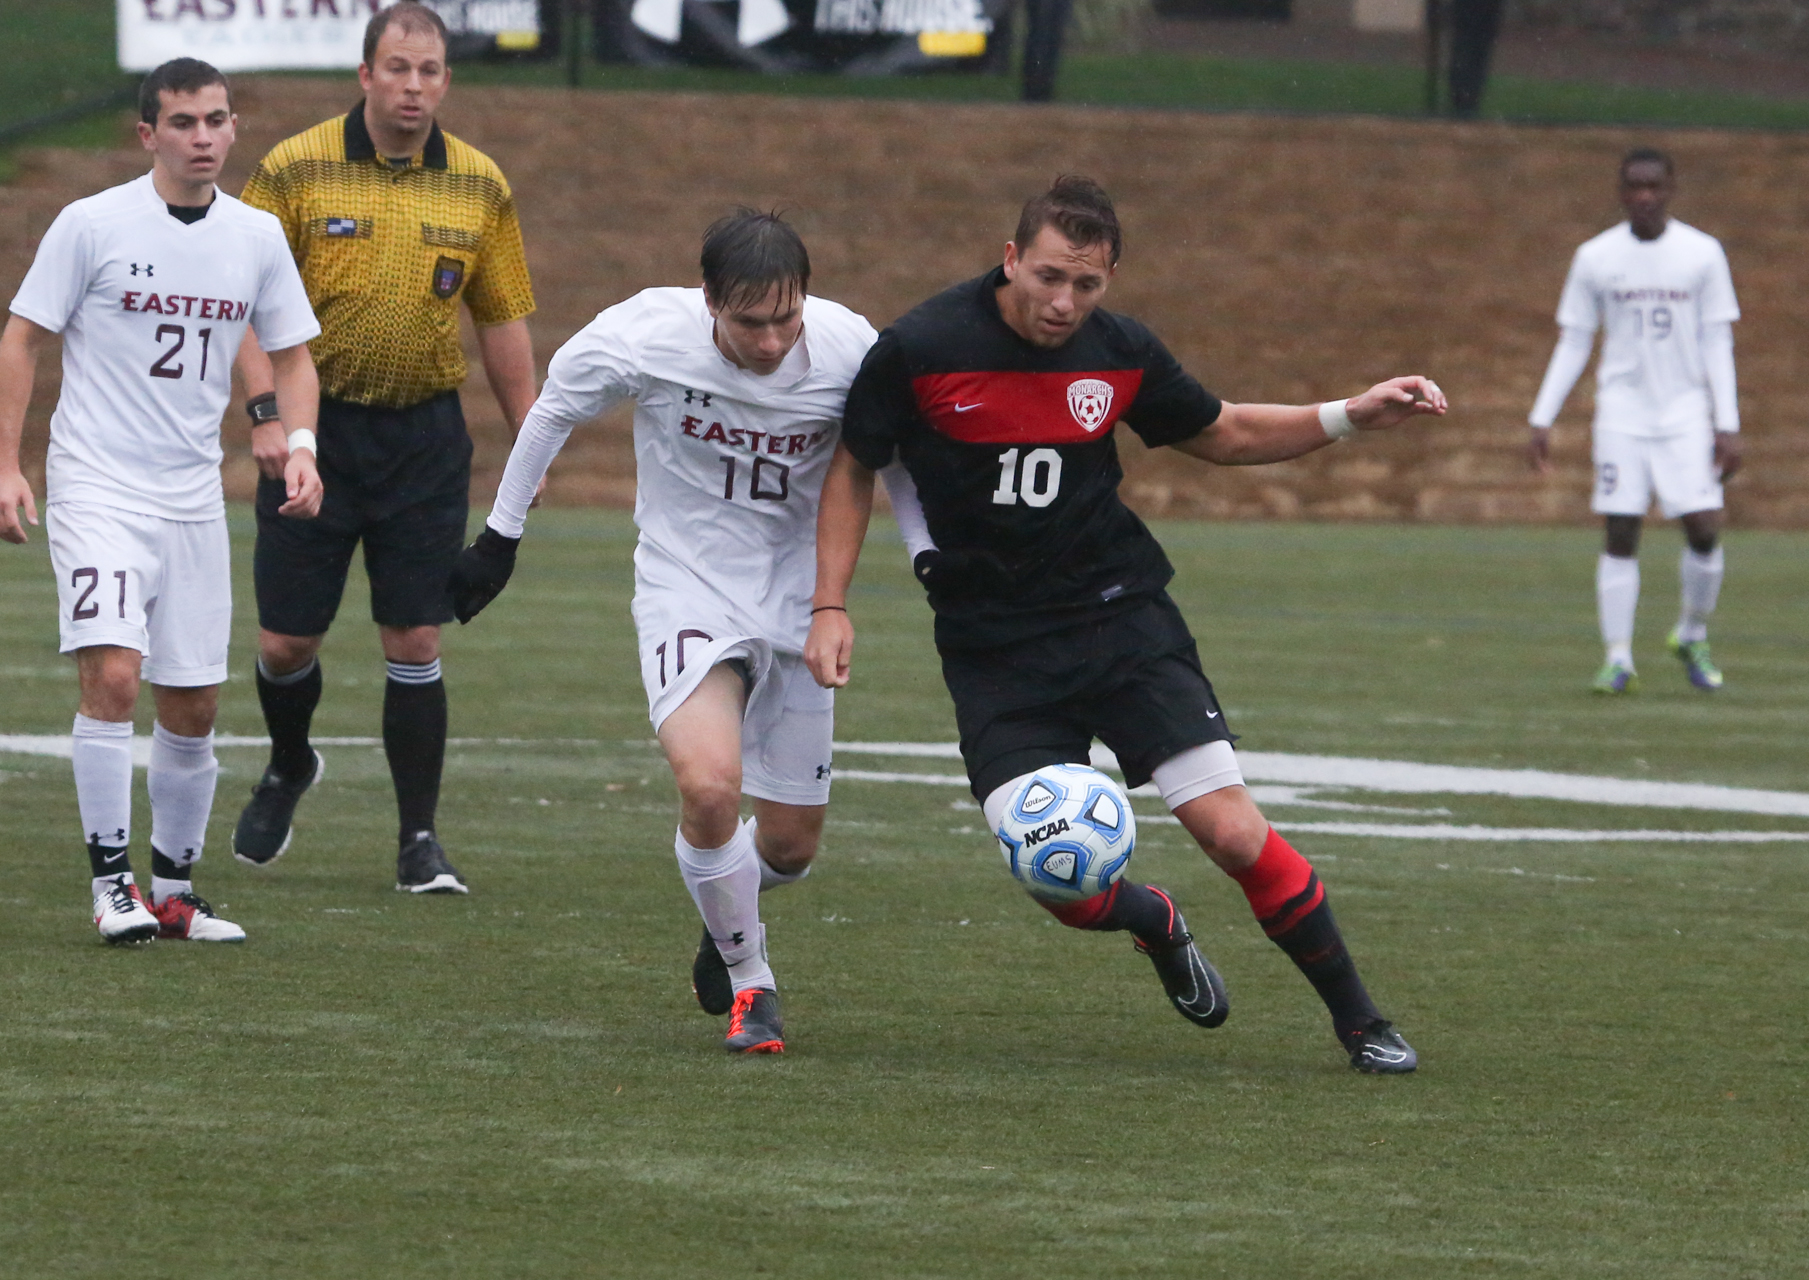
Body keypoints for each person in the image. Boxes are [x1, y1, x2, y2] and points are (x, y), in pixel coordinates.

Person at [805, 175, 1441, 1072]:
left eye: (1088, 284)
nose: (1065, 302)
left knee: (1232, 832)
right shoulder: (921, 347)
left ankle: (1360, 1020)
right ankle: (1156, 921)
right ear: (1012, 258)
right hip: (996, 649)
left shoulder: (1120, 353)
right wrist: (830, 604)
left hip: (1120, 618)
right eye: (1051, 277)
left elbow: (1221, 432)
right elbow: (853, 466)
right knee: (1055, 874)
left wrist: (1349, 415)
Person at [448, 210, 894, 1055]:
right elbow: (550, 413)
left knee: (792, 848)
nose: (771, 342)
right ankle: (749, 978)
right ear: (709, 302)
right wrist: (500, 538)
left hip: (800, 599)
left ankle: (727, 905)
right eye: (750, 322)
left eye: (786, 317)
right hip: (687, 586)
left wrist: (941, 559)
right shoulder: (643, 334)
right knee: (711, 788)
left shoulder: (850, 349)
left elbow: (891, 456)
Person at [0, 58, 323, 943]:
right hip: (99, 484)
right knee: (113, 674)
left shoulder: (254, 237)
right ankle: (112, 885)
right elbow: (23, 337)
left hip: (191, 498)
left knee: (195, 702)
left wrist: (300, 445)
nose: (204, 137)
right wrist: (7, 464)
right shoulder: (92, 223)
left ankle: (174, 891)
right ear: (149, 133)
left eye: (217, 120)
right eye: (183, 122)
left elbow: (292, 353)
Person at [231, 1, 538, 891]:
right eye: (397, 68)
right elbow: (238, 301)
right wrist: (266, 417)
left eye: (430, 71)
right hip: (313, 437)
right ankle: (291, 763)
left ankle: (419, 842)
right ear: (365, 74)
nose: (413, 86)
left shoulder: (480, 183)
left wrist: (533, 440)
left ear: (447, 80)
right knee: (287, 643)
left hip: (423, 441)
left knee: (414, 638)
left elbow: (504, 324)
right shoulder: (294, 168)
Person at [1528, 147, 1741, 695]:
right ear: (1621, 192)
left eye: (1654, 186)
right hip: (1622, 412)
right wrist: (1542, 415)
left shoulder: (1702, 253)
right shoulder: (1596, 257)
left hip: (1686, 411)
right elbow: (1576, 339)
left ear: (1671, 189)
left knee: (1703, 525)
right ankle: (1618, 658)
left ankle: (1691, 632)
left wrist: (1728, 421)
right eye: (1634, 187)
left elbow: (1718, 338)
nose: (1644, 196)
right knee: (1621, 529)